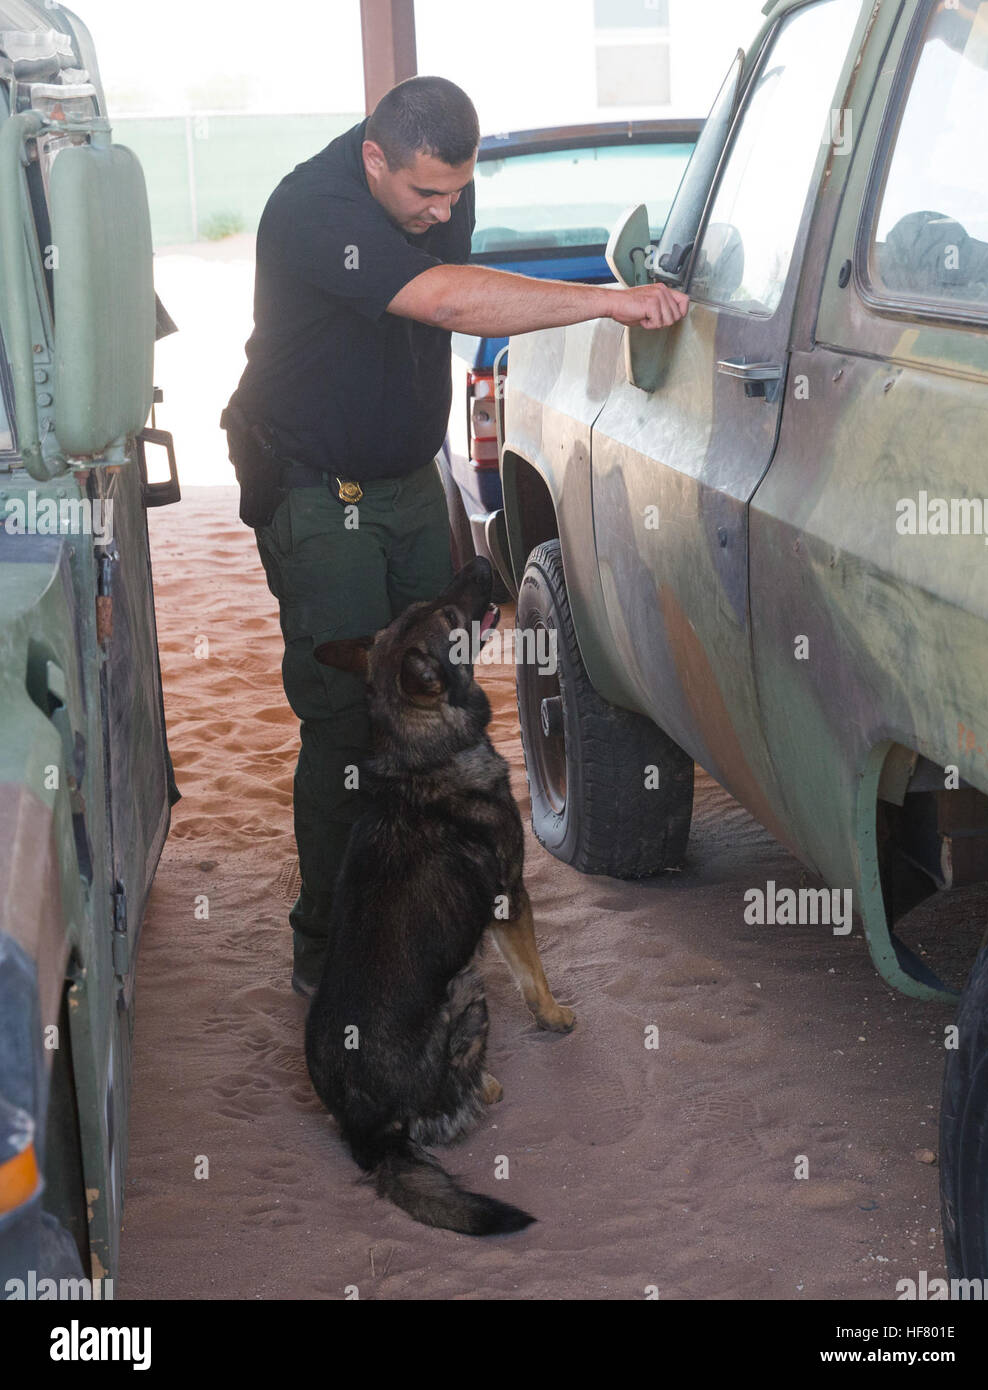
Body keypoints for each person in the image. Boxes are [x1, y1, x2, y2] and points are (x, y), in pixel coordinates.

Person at [224, 75, 689, 998]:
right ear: (372, 160)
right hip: (318, 493)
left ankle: (428, 922)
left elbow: (454, 284)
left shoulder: (440, 183)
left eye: (455, 193)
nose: (443, 211)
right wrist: (606, 301)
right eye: (423, 196)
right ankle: (331, 960)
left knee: (441, 700)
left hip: (406, 485)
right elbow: (444, 301)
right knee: (351, 721)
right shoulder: (312, 208)